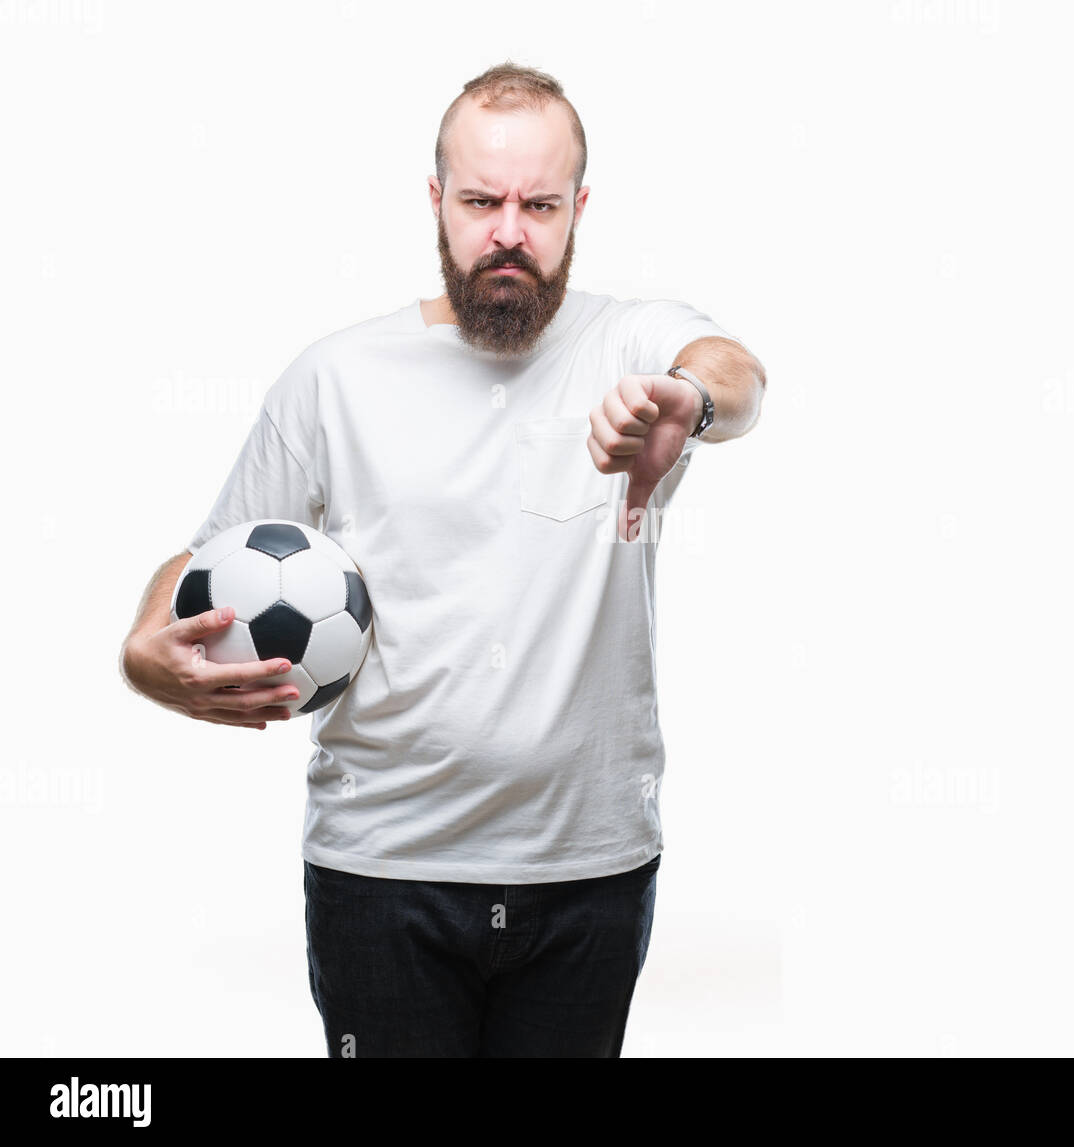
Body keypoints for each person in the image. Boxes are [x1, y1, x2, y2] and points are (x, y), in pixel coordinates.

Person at [119, 60, 766, 1057]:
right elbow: (208, 557)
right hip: (383, 871)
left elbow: (734, 370)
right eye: (481, 200)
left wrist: (693, 402)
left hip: (586, 871)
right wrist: (142, 649)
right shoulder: (336, 375)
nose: (508, 229)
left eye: (538, 203)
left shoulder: (631, 346)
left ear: (578, 207)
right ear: (437, 202)